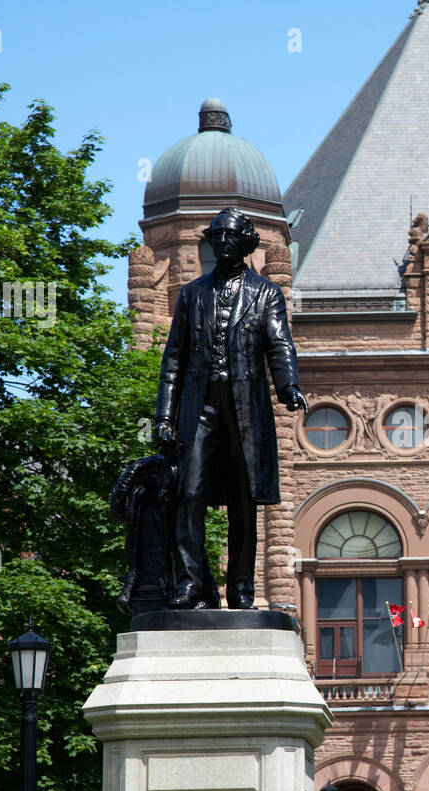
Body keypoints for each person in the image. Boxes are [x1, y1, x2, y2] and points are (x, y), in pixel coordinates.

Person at [154, 207, 308, 609]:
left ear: (246, 243)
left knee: (244, 500)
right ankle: (190, 584)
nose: (222, 241)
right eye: (216, 235)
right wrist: (164, 418)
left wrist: (289, 387)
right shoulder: (191, 294)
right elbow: (173, 360)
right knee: (188, 494)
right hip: (199, 407)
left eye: (229, 235)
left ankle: (241, 586)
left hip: (244, 409)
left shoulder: (265, 293)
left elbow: (279, 344)